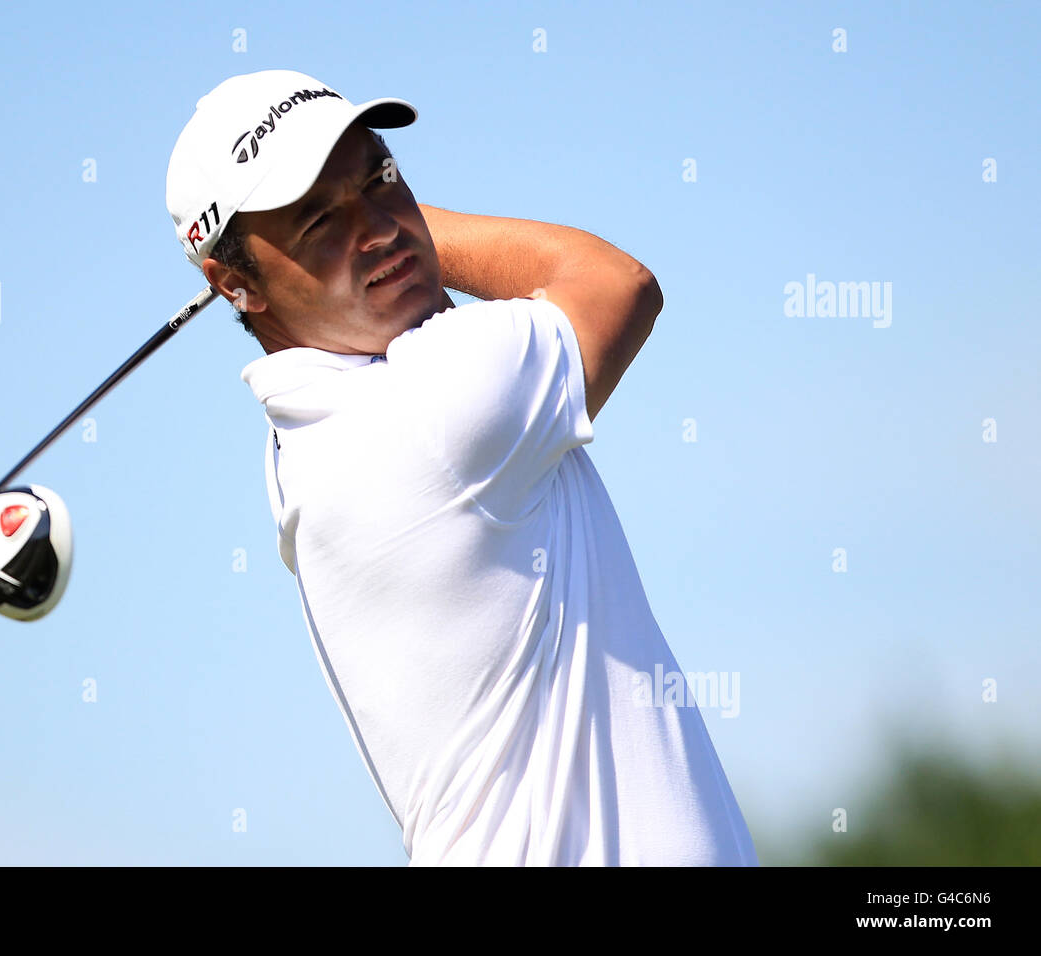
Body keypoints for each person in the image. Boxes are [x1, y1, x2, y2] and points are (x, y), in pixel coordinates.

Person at [165, 69, 759, 866]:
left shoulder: (303, 443)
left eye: (381, 176)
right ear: (233, 283)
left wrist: (363, 223)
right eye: (318, 223)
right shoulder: (436, 402)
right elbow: (618, 282)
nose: (375, 229)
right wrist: (407, 229)